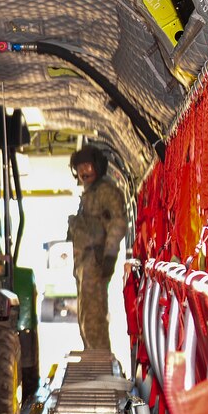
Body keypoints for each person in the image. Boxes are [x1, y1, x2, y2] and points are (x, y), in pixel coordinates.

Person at [67, 145, 127, 352]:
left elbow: (118, 222)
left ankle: (100, 358)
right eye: (80, 167)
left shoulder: (105, 192)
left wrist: (109, 255)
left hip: (95, 261)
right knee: (85, 315)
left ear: (98, 167)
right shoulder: (89, 195)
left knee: (93, 317)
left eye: (88, 166)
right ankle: (92, 355)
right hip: (84, 263)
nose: (84, 171)